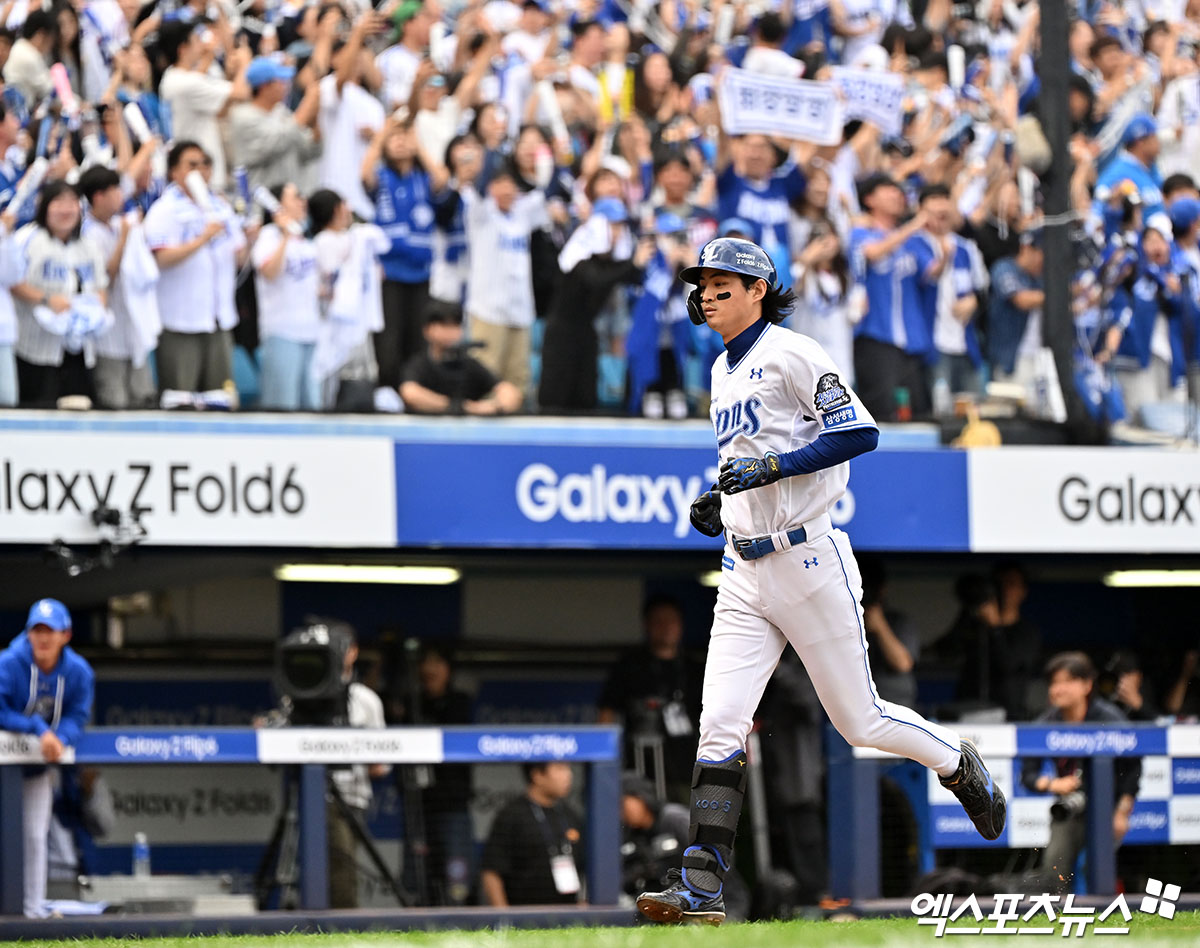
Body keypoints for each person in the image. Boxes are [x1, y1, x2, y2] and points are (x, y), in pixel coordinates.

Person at [636, 237, 1005, 926]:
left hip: (807, 557)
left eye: (722, 282)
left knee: (859, 719)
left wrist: (774, 470)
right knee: (720, 722)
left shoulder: (793, 351)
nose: (708, 293)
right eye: (703, 283)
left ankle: (957, 761)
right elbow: (748, 455)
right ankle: (702, 884)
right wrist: (722, 497)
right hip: (743, 568)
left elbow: (860, 432)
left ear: (758, 289)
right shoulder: (719, 368)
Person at [0, 599, 95, 919]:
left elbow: (78, 715)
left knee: (34, 837)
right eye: (37, 630)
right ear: (28, 633)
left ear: (65, 635)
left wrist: (61, 737)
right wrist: (39, 730)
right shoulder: (8, 663)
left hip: (35, 768)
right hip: (3, 763)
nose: (42, 638)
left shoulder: (78, 671)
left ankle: (31, 912)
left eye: (50, 631)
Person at [1020, 652, 1140, 894]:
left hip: (1107, 807)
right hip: (1069, 806)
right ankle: (1060, 915)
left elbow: (1133, 767)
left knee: (1095, 869)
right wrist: (1053, 784)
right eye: (1054, 682)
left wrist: (1122, 811)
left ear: (1087, 685)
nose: (1058, 689)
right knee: (1054, 872)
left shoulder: (1108, 718)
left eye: (1067, 681)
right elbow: (1028, 775)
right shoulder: (1046, 722)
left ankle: (1104, 915)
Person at [143, 141, 240, 395]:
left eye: (205, 164)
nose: (200, 171)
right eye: (192, 165)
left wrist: (249, 241)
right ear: (174, 171)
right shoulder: (165, 210)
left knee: (219, 397)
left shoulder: (221, 207)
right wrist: (201, 239)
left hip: (218, 317)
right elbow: (160, 259)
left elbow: (239, 257)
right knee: (181, 396)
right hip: (181, 320)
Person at [597, 596, 704, 805]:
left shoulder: (695, 668)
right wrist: (606, 761)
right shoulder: (630, 666)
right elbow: (606, 713)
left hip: (689, 765)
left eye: (671, 621)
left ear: (681, 625)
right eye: (659, 621)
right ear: (647, 625)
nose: (666, 627)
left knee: (687, 820)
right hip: (641, 768)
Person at [12, 180, 110, 406]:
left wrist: (96, 309)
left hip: (79, 346)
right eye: (58, 202)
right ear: (44, 206)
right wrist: (47, 299)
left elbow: (101, 285)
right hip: (36, 346)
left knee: (80, 405)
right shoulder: (28, 239)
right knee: (39, 405)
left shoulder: (87, 244)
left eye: (72, 202)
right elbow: (12, 282)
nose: (66, 210)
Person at [391, 644, 475, 905]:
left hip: (452, 806)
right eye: (425, 663)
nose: (430, 669)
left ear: (447, 669)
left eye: (436, 663)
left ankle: (459, 925)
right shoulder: (411, 704)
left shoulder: (459, 702)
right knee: (416, 878)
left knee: (457, 880)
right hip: (418, 805)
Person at [79, 165, 158, 410]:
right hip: (107, 339)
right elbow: (105, 278)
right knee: (116, 402)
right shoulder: (88, 233)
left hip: (133, 329)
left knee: (143, 399)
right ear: (98, 196)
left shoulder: (119, 225)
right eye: (115, 190)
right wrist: (124, 240)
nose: (120, 195)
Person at [252, 183, 322, 411]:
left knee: (312, 405)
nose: (302, 201)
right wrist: (284, 235)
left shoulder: (305, 238)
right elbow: (269, 272)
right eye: (295, 197)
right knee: (283, 406)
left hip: (311, 331)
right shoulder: (269, 236)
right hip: (282, 332)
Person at [480, 761, 584, 906]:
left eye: (568, 768)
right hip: (524, 913)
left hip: (567, 913)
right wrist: (503, 915)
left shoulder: (570, 815)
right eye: (560, 769)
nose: (568, 775)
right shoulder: (511, 815)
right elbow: (491, 872)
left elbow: (586, 867)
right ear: (538, 775)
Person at [399, 299, 522, 415]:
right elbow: (410, 393)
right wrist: (459, 407)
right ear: (427, 330)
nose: (450, 332)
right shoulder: (420, 364)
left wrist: (494, 407)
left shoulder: (469, 364)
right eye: (444, 325)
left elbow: (509, 392)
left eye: (455, 326)